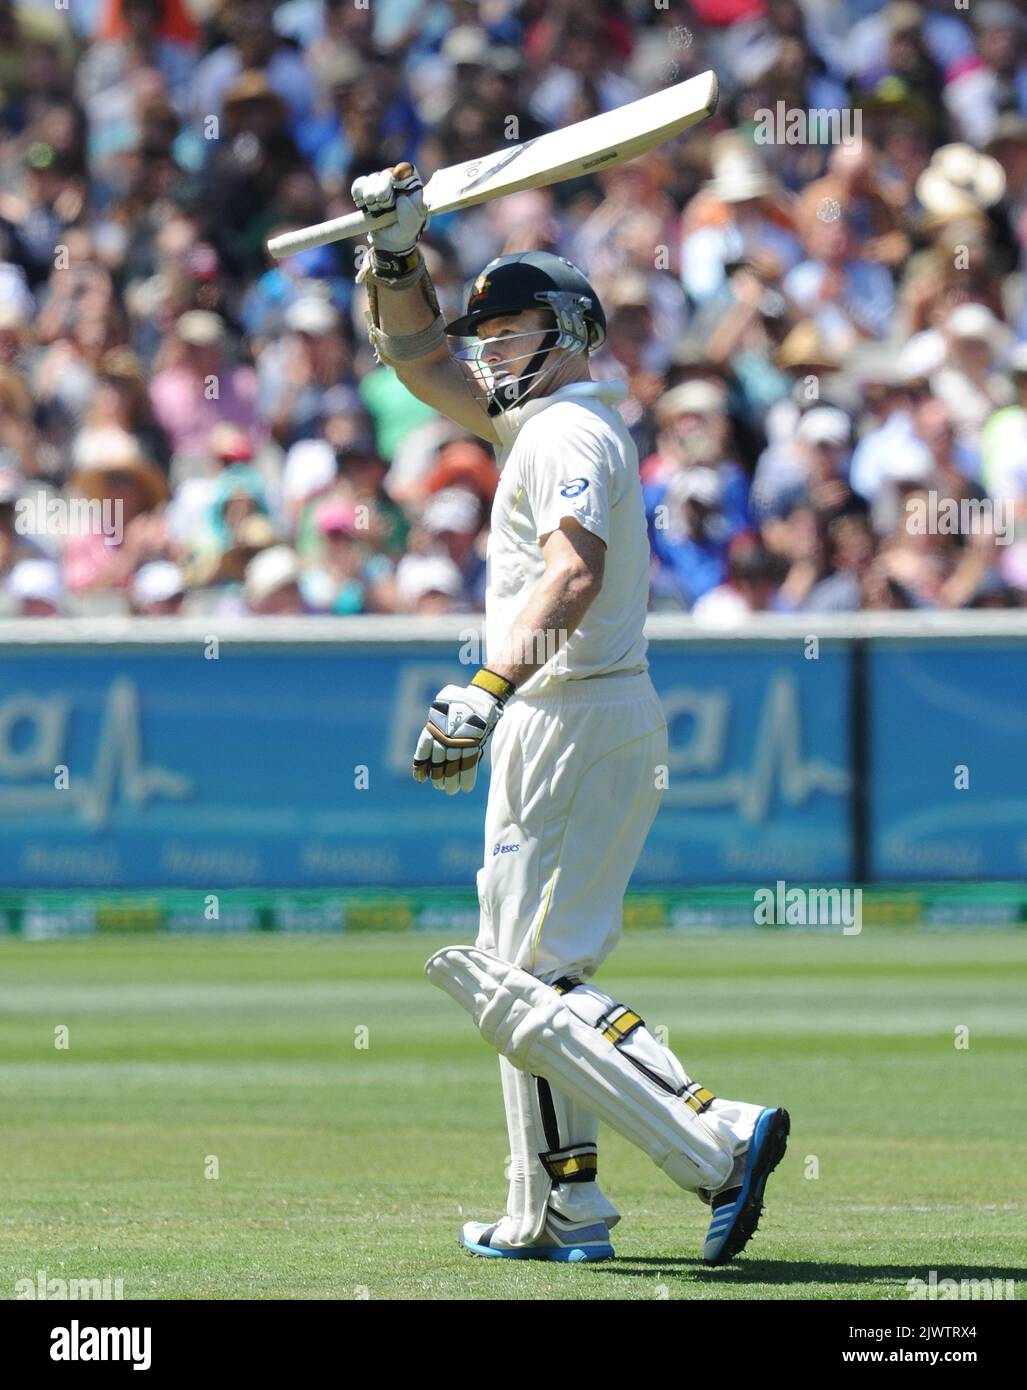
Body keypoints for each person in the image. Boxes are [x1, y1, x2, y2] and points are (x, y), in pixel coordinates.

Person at [348, 162, 789, 1265]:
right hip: (572, 716)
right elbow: (416, 357)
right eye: (487, 334)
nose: (492, 350)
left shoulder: (567, 434)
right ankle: (558, 1209)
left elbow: (573, 573)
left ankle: (716, 1136)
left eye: (512, 330)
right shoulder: (533, 425)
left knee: (525, 981)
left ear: (573, 327)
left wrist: (484, 689)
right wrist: (393, 255)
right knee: (529, 974)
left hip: (571, 713)